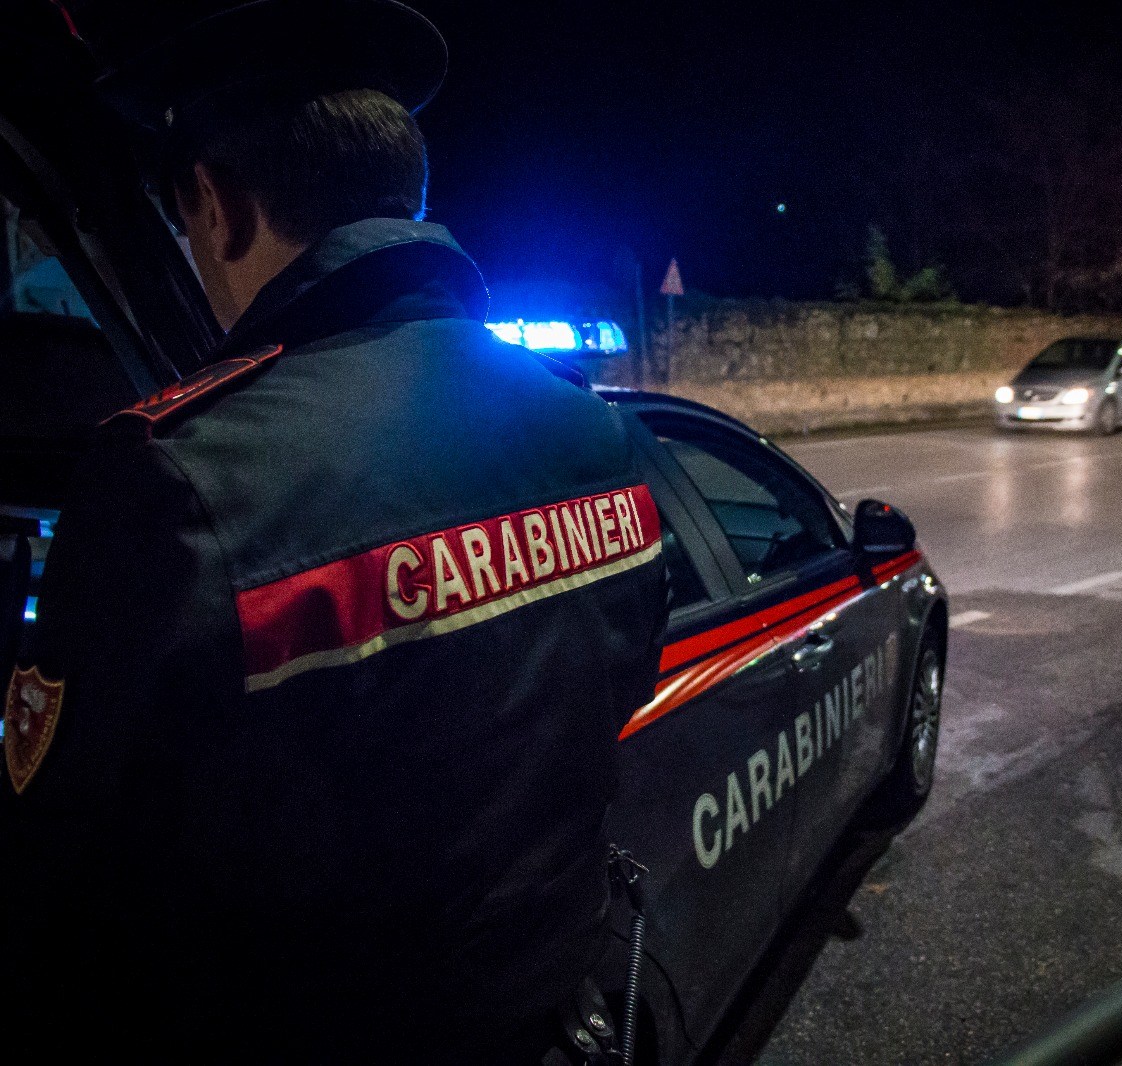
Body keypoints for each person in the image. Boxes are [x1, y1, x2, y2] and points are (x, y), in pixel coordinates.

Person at [0, 1, 667, 1060]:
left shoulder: (181, 475)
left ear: (214, 208)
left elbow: (56, 858)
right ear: (408, 195)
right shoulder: (591, 429)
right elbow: (611, 688)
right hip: (558, 1015)